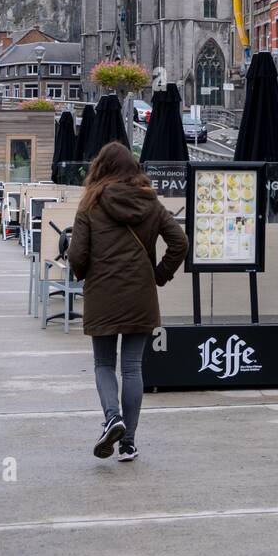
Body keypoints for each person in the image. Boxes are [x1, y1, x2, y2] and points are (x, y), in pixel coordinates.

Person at [69, 142, 187, 462]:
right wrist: (159, 275)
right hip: (140, 295)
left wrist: (83, 272)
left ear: (101, 168)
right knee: (132, 368)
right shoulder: (151, 203)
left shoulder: (90, 204)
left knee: (104, 364)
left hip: (102, 293)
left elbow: (77, 253)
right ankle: (129, 443)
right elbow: (180, 242)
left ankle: (112, 418)